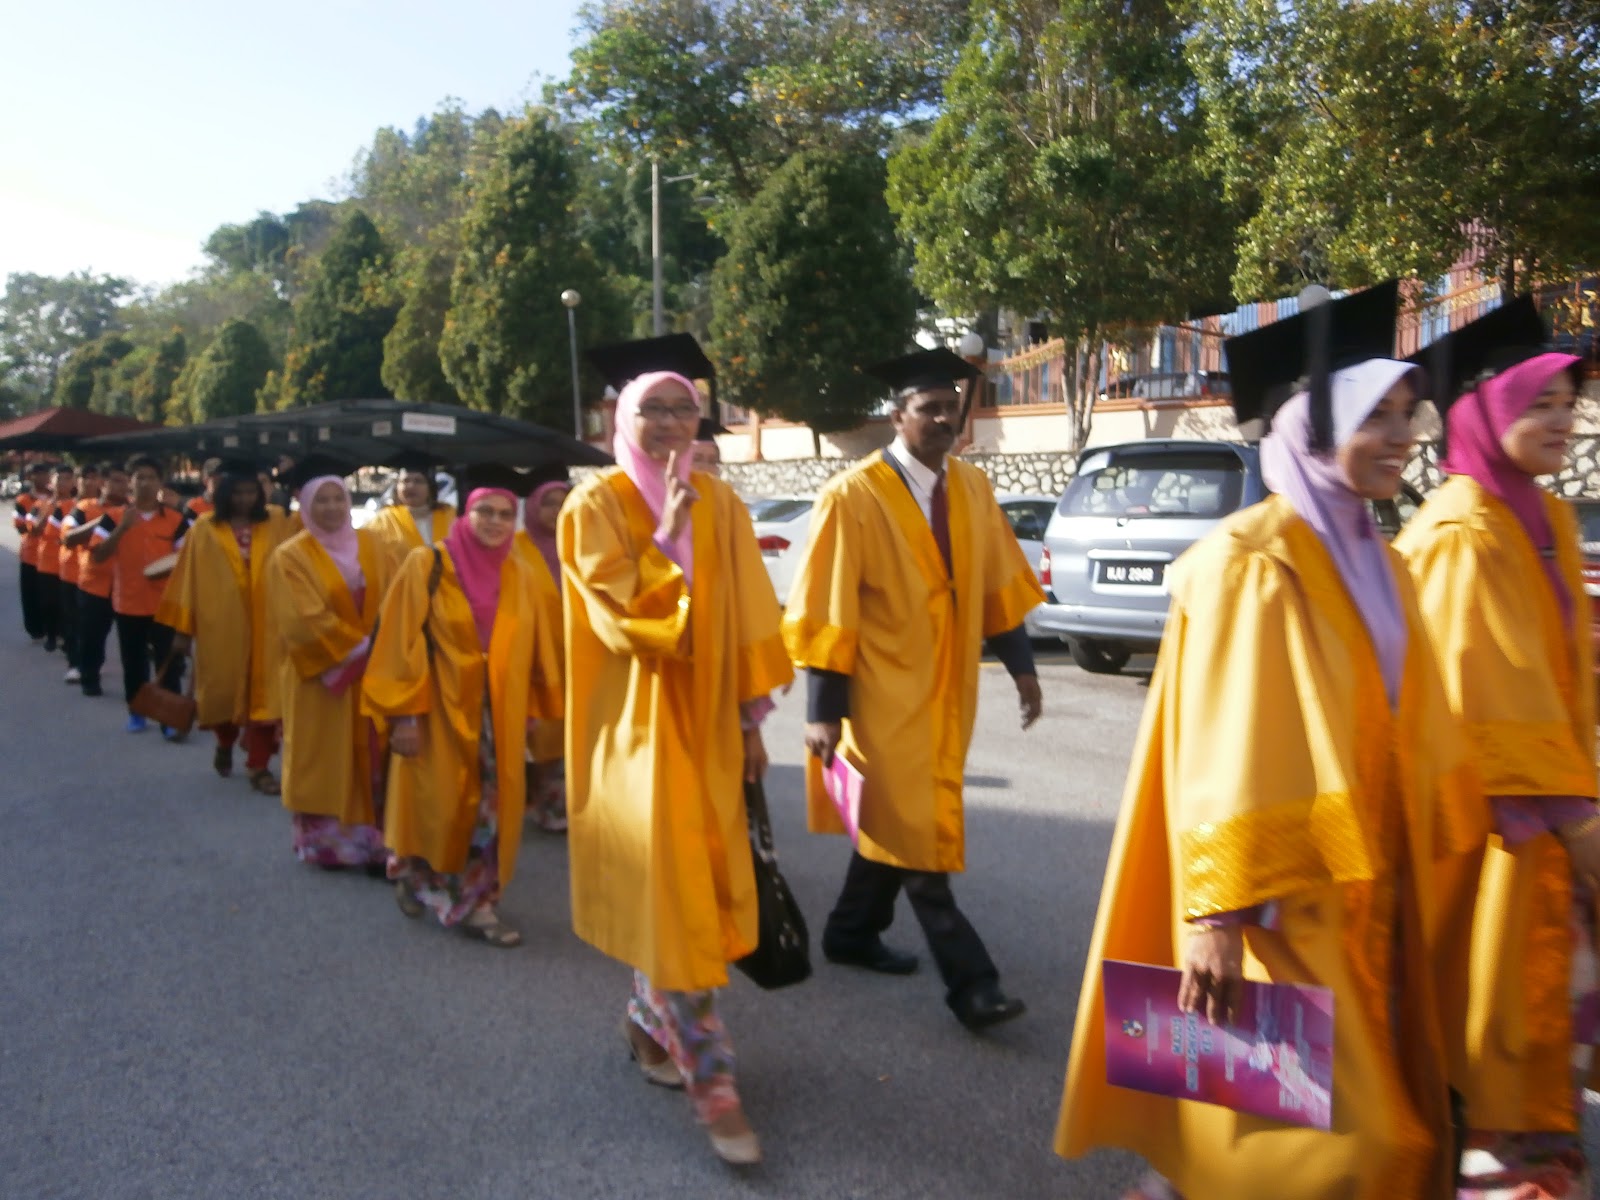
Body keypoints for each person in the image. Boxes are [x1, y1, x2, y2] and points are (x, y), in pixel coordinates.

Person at [1054, 284, 1482, 1200]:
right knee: (1347, 1144)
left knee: (1303, 1122)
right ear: (1311, 430)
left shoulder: (1380, 560)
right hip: (1279, 901)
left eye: (1407, 415)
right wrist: (1215, 922)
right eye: (1376, 417)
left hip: (1372, 886)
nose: (1403, 437)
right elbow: (1225, 744)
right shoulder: (1253, 560)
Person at [562, 338, 792, 1166]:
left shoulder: (721, 503)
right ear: (620, 419)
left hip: (711, 730)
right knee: (675, 901)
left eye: (682, 409)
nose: (667, 423)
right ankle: (714, 1086)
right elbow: (626, 622)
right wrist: (665, 535)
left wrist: (751, 722)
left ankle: (645, 1021)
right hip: (637, 733)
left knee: (693, 886)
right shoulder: (592, 508)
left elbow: (748, 616)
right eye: (651, 409)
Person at [1394, 298, 1599, 1200]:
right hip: (1488, 841)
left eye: (1568, 402)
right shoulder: (1460, 531)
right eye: (1538, 403)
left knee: (1531, 1032)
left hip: (1551, 835)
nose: (1563, 419)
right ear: (1482, 410)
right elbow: (1482, 707)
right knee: (1480, 1044)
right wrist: (1583, 831)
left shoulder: (1544, 519)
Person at [782, 347, 1045, 1032]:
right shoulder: (852, 496)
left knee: (893, 817)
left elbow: (998, 584)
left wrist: (1023, 669)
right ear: (896, 416)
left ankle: (850, 931)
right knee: (916, 830)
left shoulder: (972, 489)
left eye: (951, 409)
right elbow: (827, 605)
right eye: (928, 408)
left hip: (947, 687)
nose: (943, 419)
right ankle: (973, 984)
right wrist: (823, 710)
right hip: (878, 693)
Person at [363, 474, 563, 947]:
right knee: (439, 804)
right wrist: (404, 716)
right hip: (438, 708)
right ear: (464, 515)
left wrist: (536, 708)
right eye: (484, 512)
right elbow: (398, 640)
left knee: (490, 808)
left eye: (505, 515)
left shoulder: (521, 573)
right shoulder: (427, 564)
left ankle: (476, 902)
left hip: (500, 714)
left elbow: (538, 644)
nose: (495, 522)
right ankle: (419, 875)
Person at [267, 475, 387, 870]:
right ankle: (328, 845)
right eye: (322, 500)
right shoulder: (291, 556)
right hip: (321, 674)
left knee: (373, 751)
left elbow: (397, 593)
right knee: (323, 754)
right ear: (305, 506)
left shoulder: (374, 544)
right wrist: (362, 646)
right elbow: (301, 619)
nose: (332, 507)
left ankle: (376, 841)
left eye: (339, 498)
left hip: (375, 670)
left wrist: (388, 643)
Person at [156, 462, 296, 792]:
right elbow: (188, 577)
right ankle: (225, 741)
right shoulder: (204, 528)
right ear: (224, 494)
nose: (245, 499)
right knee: (223, 692)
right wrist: (183, 630)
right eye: (238, 493)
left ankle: (259, 767)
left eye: (251, 493)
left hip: (270, 623)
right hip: (220, 624)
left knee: (268, 695)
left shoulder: (277, 521)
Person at [90, 457, 192, 735]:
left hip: (166, 605)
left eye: (151, 477)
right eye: (139, 477)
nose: (145, 483)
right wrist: (123, 528)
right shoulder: (113, 518)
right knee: (133, 663)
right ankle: (136, 713)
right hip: (128, 603)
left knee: (168, 663)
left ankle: (169, 719)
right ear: (130, 482)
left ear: (160, 483)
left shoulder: (176, 520)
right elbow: (98, 555)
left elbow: (188, 559)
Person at [515, 472, 571, 834]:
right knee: (537, 734)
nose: (556, 510)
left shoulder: (578, 541)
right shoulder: (516, 547)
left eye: (562, 503)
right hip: (532, 657)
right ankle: (535, 801)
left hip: (575, 656)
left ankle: (559, 805)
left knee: (568, 734)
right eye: (548, 503)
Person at [68, 464, 128, 697]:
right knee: (92, 636)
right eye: (116, 481)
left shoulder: (134, 511)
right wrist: (104, 521)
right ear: (103, 483)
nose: (122, 486)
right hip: (94, 584)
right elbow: (69, 538)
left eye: (125, 481)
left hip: (128, 585)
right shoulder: (85, 508)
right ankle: (89, 678)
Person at [365, 453, 455, 597]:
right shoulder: (383, 520)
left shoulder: (450, 515)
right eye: (405, 481)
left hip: (448, 597)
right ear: (397, 487)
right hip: (402, 598)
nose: (411, 486)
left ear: (430, 487)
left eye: (418, 481)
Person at [54, 463, 99, 684]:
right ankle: (75, 664)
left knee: (93, 626)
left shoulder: (109, 507)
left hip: (100, 577)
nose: (89, 482)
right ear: (76, 481)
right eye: (84, 477)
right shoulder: (71, 508)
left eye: (94, 477)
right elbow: (65, 537)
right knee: (74, 621)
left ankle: (91, 663)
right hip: (72, 572)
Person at [28, 464, 78, 655]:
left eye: (67, 478)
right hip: (47, 562)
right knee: (49, 602)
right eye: (59, 478)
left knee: (68, 604)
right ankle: (50, 635)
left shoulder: (77, 506)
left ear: (73, 482)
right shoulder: (40, 505)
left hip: (70, 563)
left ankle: (66, 637)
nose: (62, 482)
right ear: (52, 480)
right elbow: (34, 530)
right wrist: (50, 507)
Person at [13, 461, 52, 642]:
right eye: (39, 473)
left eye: (45, 473)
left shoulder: (56, 497)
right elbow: (21, 527)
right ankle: (35, 629)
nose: (43, 477)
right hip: (30, 555)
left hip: (51, 556)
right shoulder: (23, 500)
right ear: (30, 477)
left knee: (50, 595)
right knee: (31, 593)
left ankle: (52, 628)